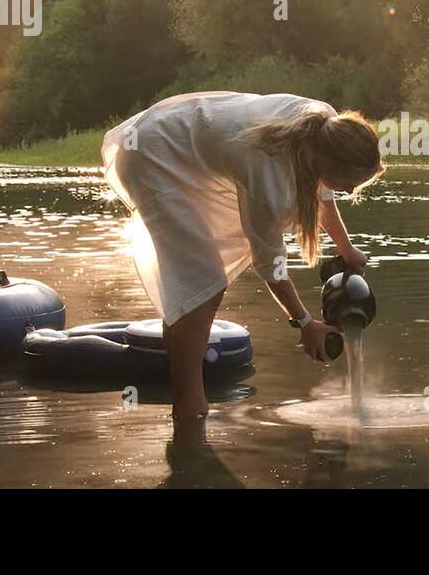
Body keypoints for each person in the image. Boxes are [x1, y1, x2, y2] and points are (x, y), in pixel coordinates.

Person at [101, 91, 384, 433]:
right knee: (204, 282)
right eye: (348, 186)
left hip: (184, 146)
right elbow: (270, 264)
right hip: (155, 154)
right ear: (328, 165)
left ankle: (187, 397)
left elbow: (321, 192)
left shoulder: (323, 124)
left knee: (198, 287)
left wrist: (346, 248)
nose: (347, 192)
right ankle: (189, 407)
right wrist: (305, 322)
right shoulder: (269, 173)